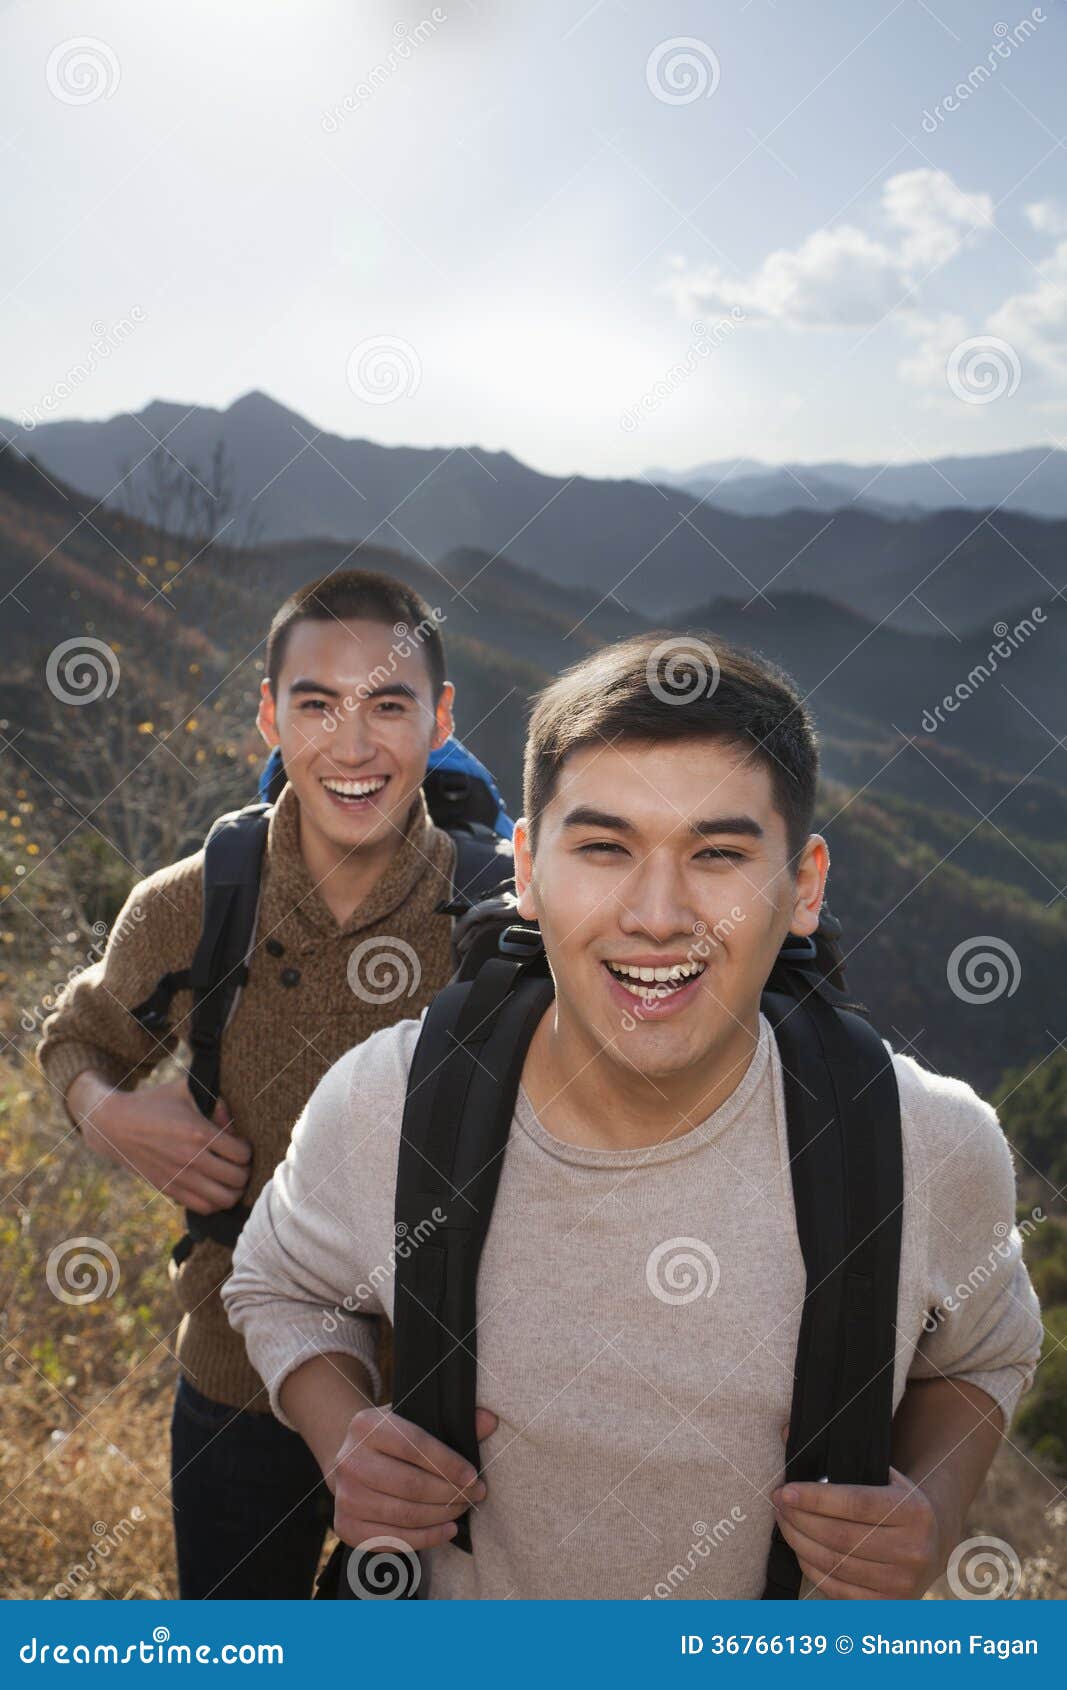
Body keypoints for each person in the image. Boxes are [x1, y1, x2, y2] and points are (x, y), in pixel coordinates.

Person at [222, 631, 1043, 1600]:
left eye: (718, 852)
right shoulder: (389, 1101)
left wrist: (936, 1510)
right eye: (603, 847)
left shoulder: (923, 1144)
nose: (656, 913)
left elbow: (982, 1351)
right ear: (525, 869)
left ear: (803, 887)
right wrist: (340, 1429)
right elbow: (275, 1284)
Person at [37, 568, 512, 1600]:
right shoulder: (199, 903)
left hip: (440, 1411)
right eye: (316, 704)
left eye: (388, 705)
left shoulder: (498, 931)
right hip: (235, 1386)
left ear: (439, 721)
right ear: (268, 714)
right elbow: (76, 1037)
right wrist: (109, 1113)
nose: (352, 746)